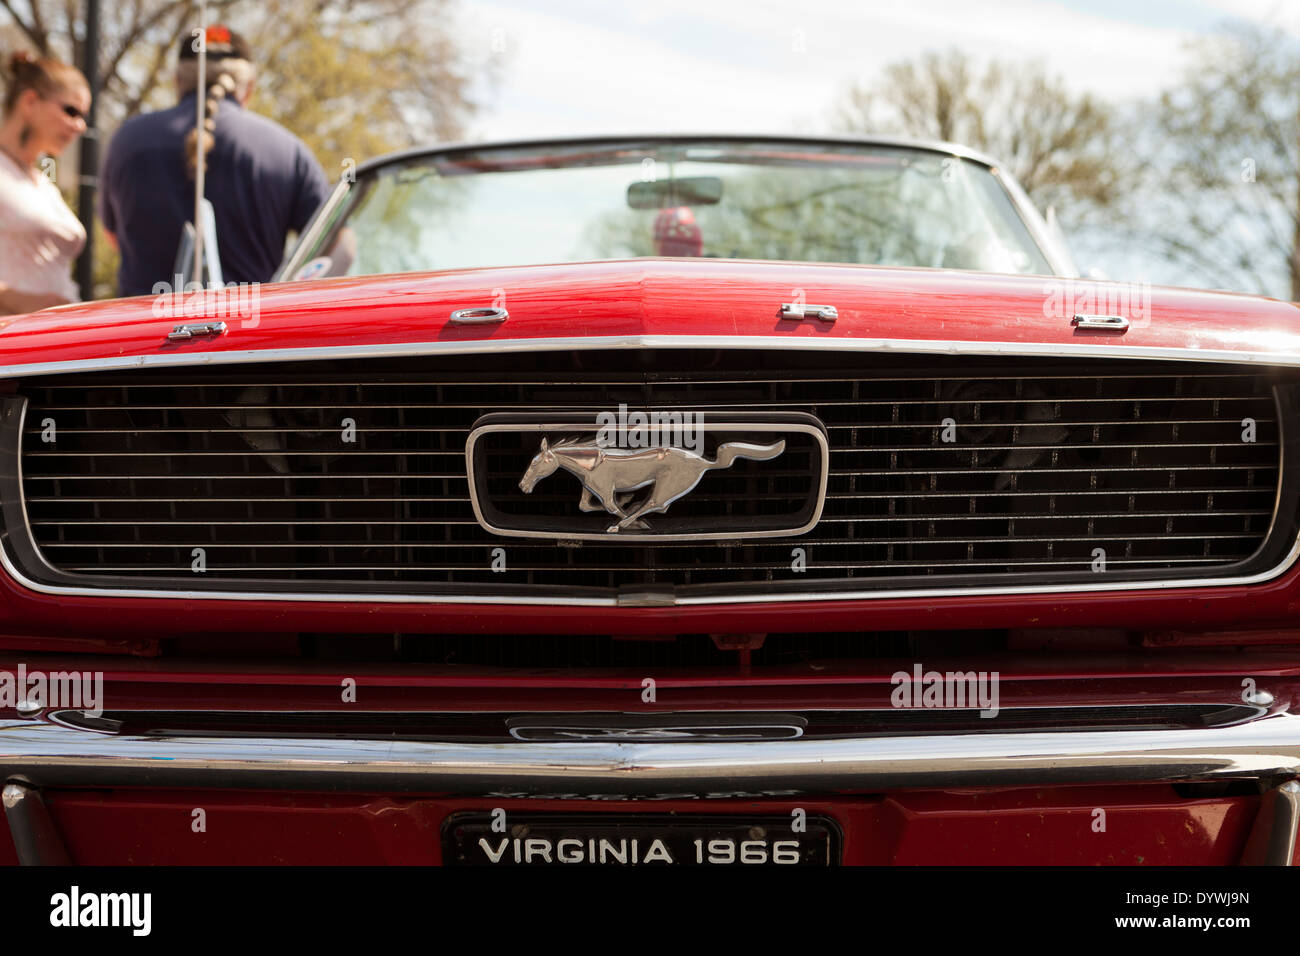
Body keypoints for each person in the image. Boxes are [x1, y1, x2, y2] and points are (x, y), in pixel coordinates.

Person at [100, 24, 332, 297]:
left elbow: (113, 236)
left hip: (140, 331)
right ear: (249, 87)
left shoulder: (126, 141)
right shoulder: (289, 150)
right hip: (250, 327)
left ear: (177, 80)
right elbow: (333, 244)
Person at [0, 51, 89, 315]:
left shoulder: (42, 181)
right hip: (14, 345)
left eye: (84, 115)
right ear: (30, 102)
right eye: (71, 111)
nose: (80, 126)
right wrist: (17, 299)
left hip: (57, 340)